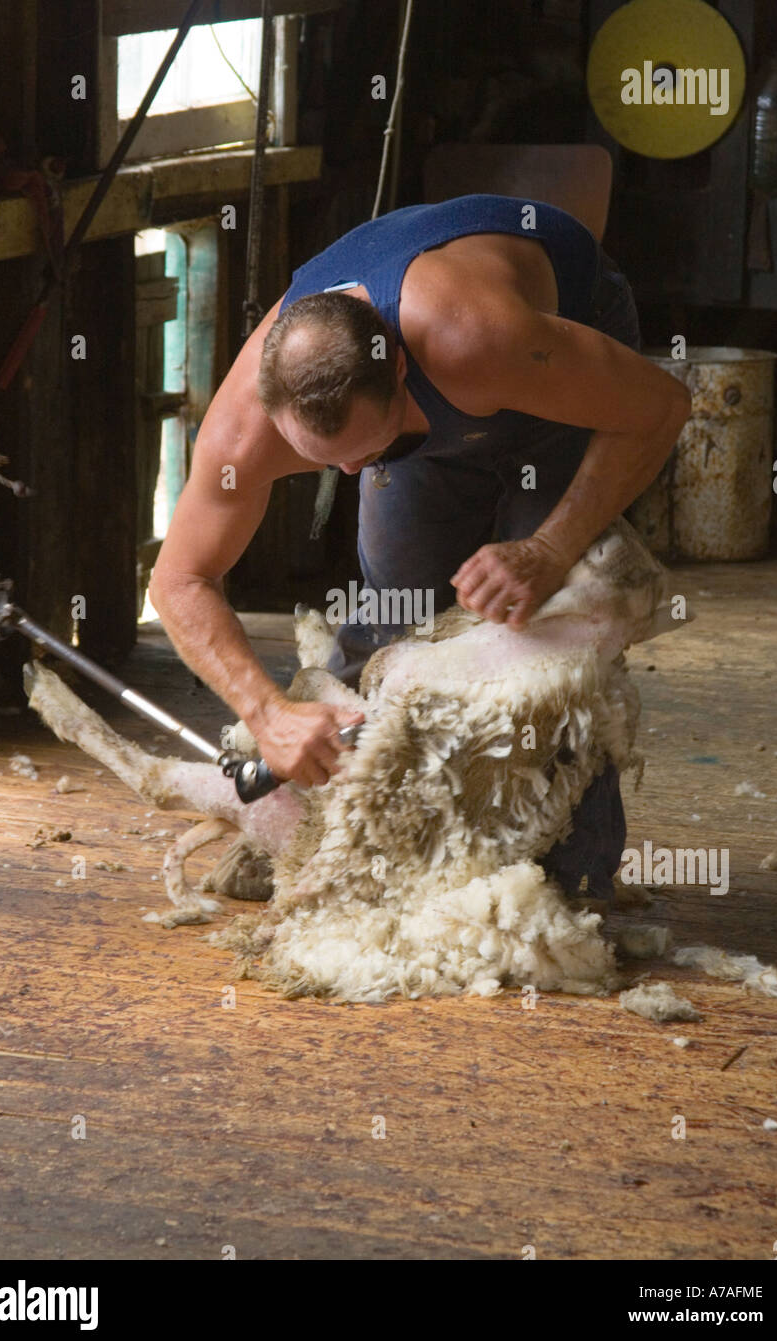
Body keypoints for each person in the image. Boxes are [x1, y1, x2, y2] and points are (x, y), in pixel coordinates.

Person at [150, 194, 691, 900]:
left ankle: (559, 877)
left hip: (548, 355)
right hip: (432, 406)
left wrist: (549, 550)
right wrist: (267, 713)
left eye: (361, 450)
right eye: (325, 460)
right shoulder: (243, 430)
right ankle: (333, 841)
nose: (349, 473)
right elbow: (178, 580)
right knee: (399, 606)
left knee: (543, 627)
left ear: (399, 370)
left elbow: (661, 407)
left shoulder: (477, 338)